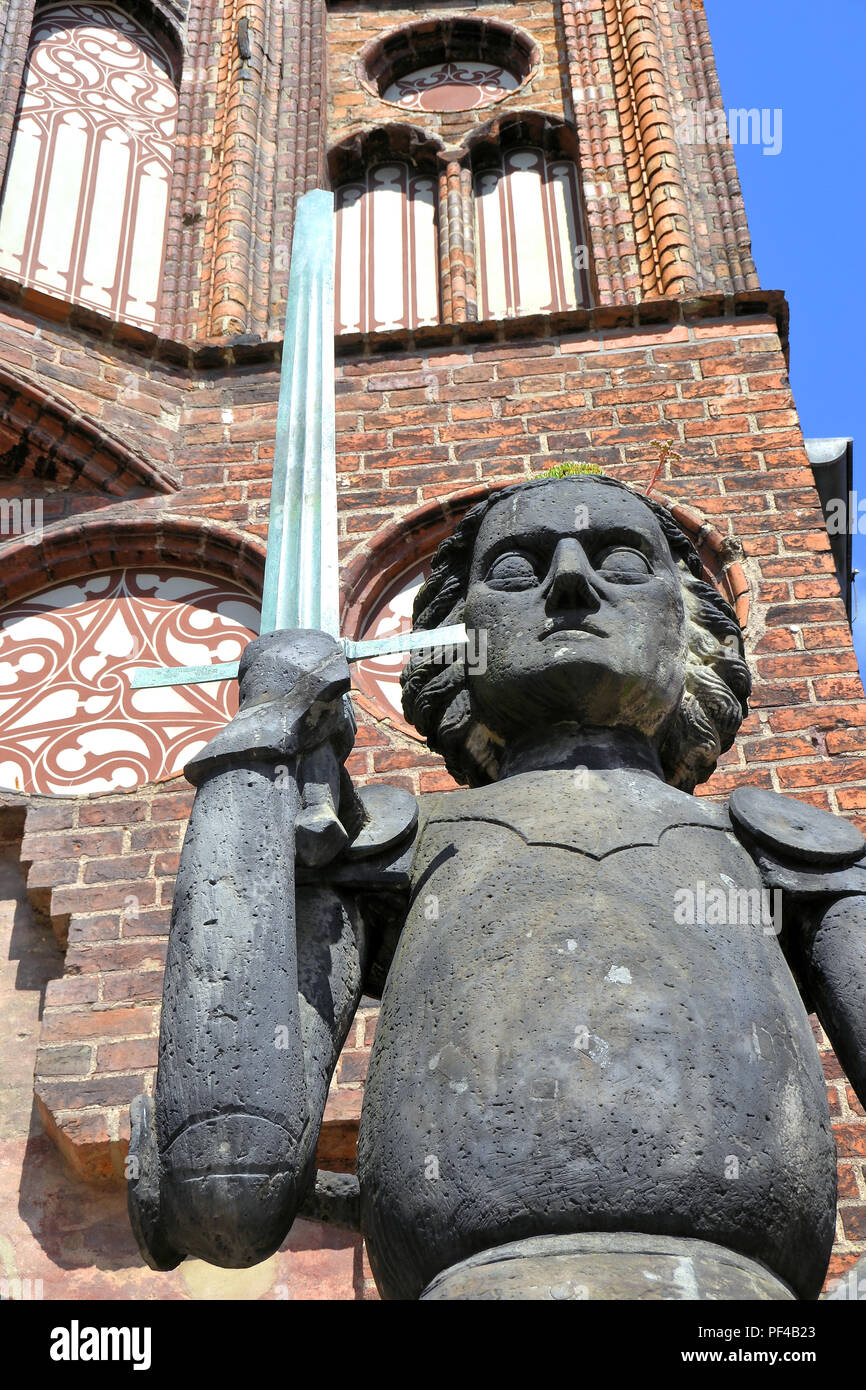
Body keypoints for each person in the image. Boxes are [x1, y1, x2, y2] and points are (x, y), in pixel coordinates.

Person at [129, 473, 866, 1300]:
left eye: (624, 563)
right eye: (516, 571)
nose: (573, 583)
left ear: (689, 627)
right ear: (459, 636)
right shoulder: (400, 850)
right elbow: (228, 1188)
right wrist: (259, 748)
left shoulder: (783, 848)